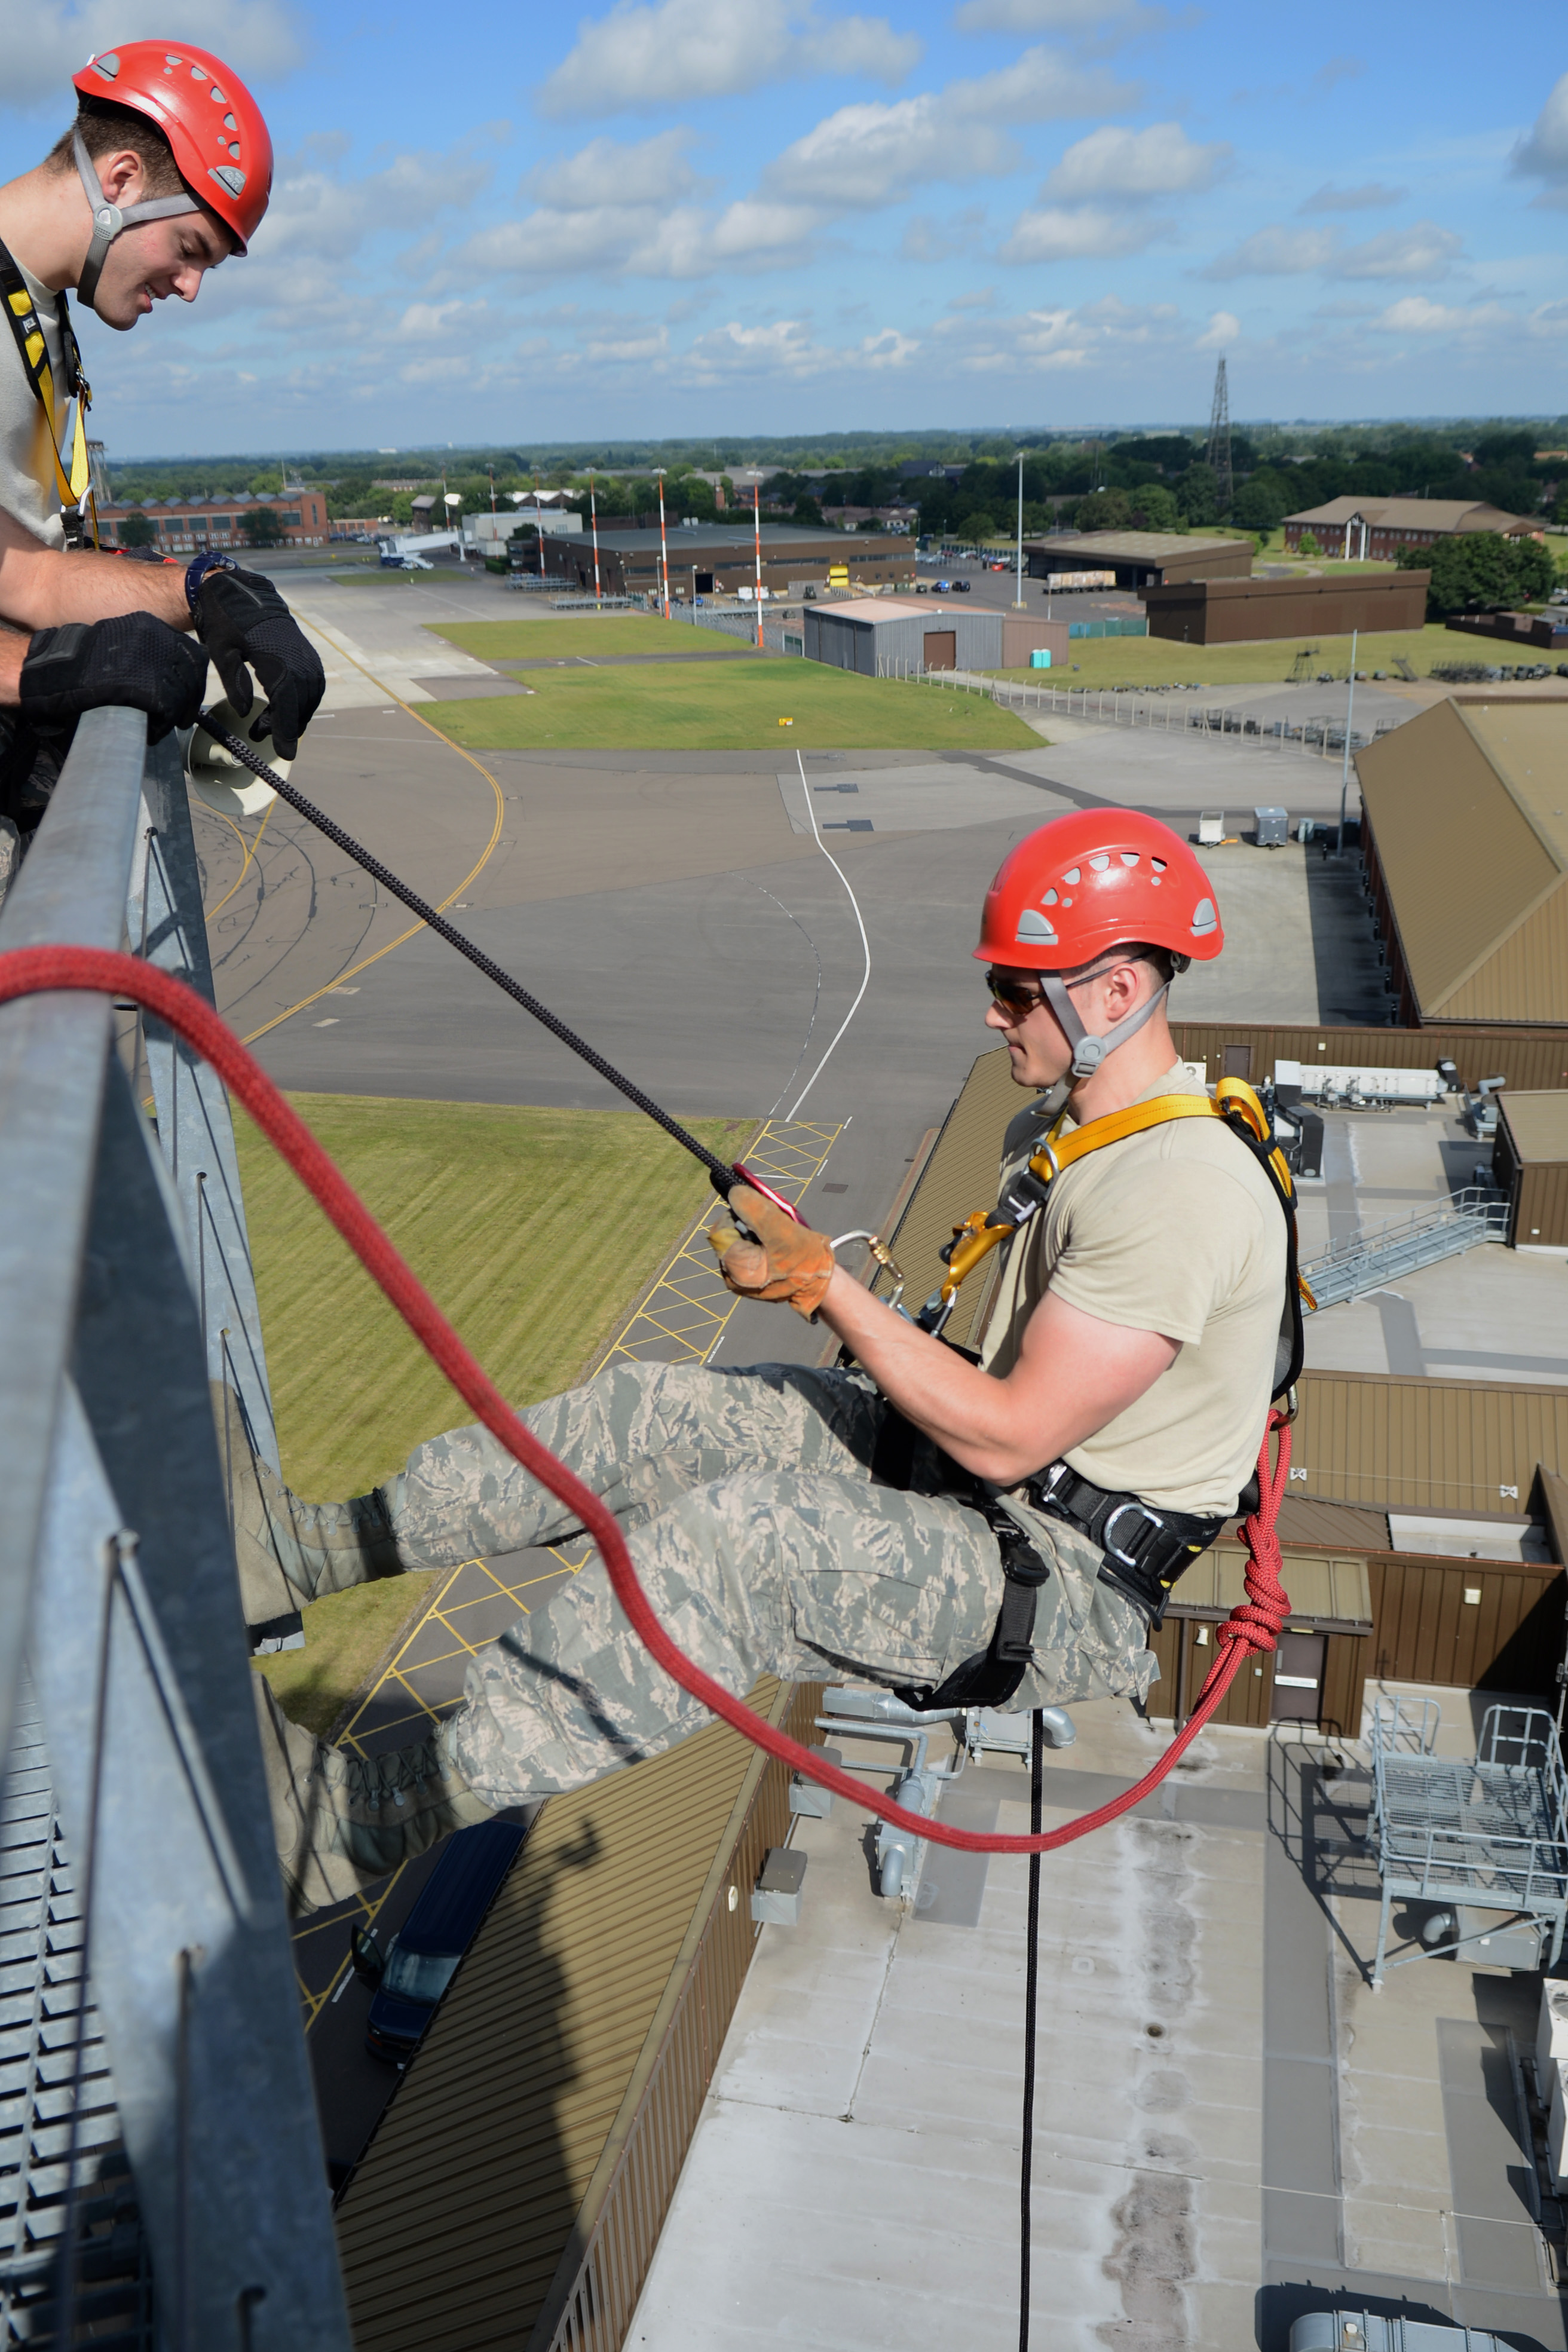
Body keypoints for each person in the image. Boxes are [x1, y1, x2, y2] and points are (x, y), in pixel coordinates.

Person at [252, 810, 1289, 1917]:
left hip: (1067, 1571)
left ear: (1118, 992)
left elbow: (1015, 1429)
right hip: (989, 1486)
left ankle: (368, 1821)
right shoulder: (1070, 1136)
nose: (994, 1013)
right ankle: (304, 1551)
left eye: (1021, 991)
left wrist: (824, 1286)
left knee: (741, 1548)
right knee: (656, 1416)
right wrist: (821, 1272)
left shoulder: (1181, 1186)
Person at [0, 42, 323, 890]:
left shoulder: (35, 315)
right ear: (121, 181)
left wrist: (204, 585)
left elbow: (25, 579)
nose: (190, 288)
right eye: (189, 247)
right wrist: (37, 672)